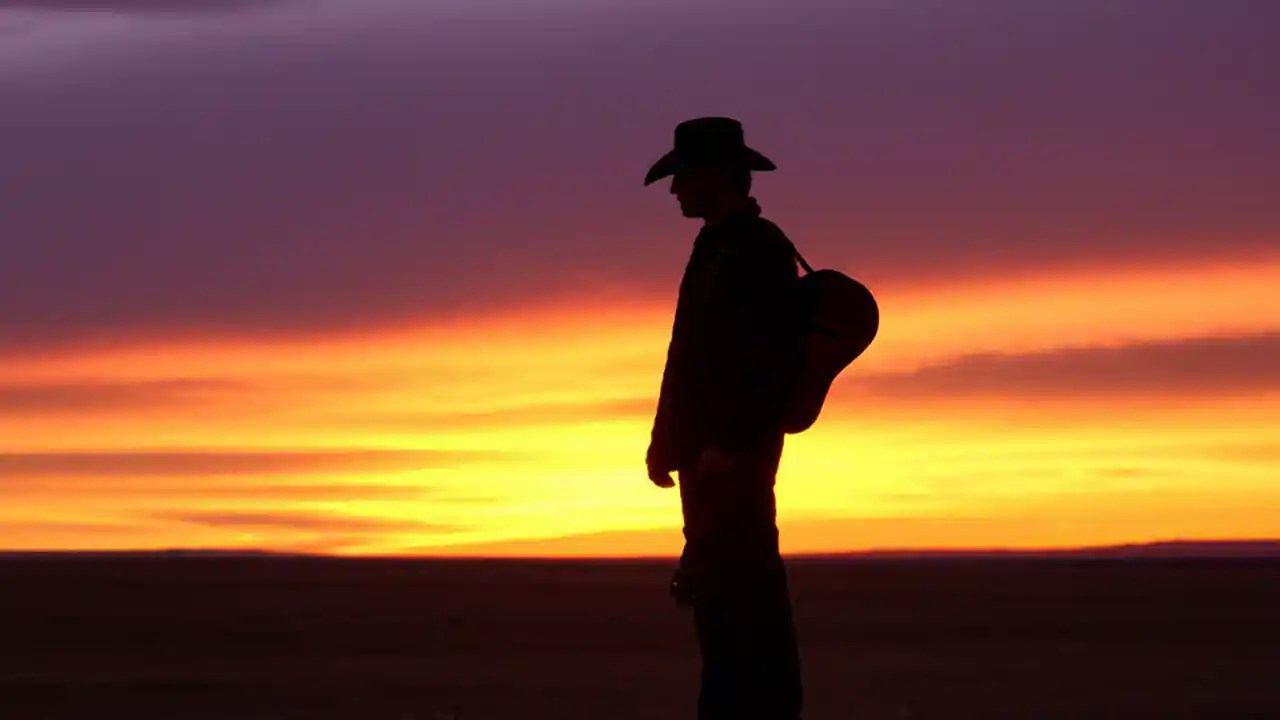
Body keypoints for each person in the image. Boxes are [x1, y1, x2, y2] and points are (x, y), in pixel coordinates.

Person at [643, 117, 804, 720]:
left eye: (683, 176)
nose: (675, 190)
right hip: (709, 457)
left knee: (745, 602)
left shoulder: (758, 249)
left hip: (732, 460)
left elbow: (766, 360)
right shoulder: (717, 246)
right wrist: (667, 443)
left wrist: (728, 446)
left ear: (716, 175)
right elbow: (688, 354)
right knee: (722, 603)